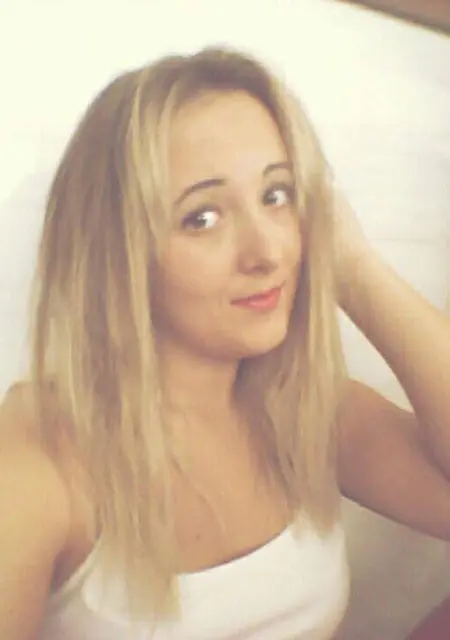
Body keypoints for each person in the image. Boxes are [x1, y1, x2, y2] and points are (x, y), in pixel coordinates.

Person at [1, 46, 449, 640]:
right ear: (117, 251)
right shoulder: (38, 455)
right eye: (203, 218)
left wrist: (354, 268)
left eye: (276, 195)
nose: (268, 252)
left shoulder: (307, 410)